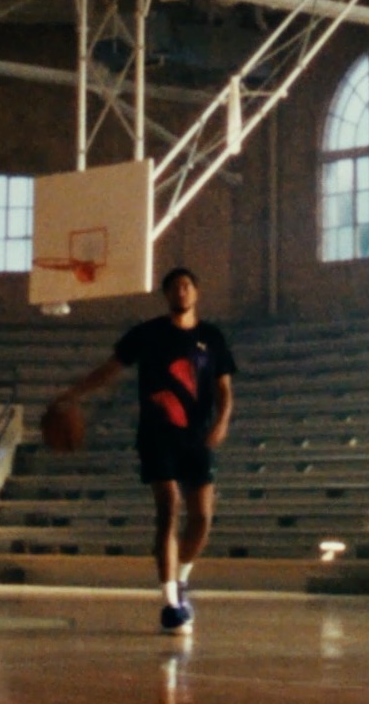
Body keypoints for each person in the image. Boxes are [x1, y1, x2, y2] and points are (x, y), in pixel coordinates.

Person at [51, 267, 235, 633]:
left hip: (197, 436)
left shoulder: (212, 337)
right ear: (166, 295)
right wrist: (74, 394)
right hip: (156, 434)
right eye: (174, 287)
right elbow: (109, 369)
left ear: (196, 293)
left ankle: (180, 578)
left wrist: (222, 421)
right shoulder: (147, 333)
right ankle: (169, 601)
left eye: (186, 286)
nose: (181, 292)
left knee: (202, 518)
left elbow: (224, 389)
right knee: (169, 508)